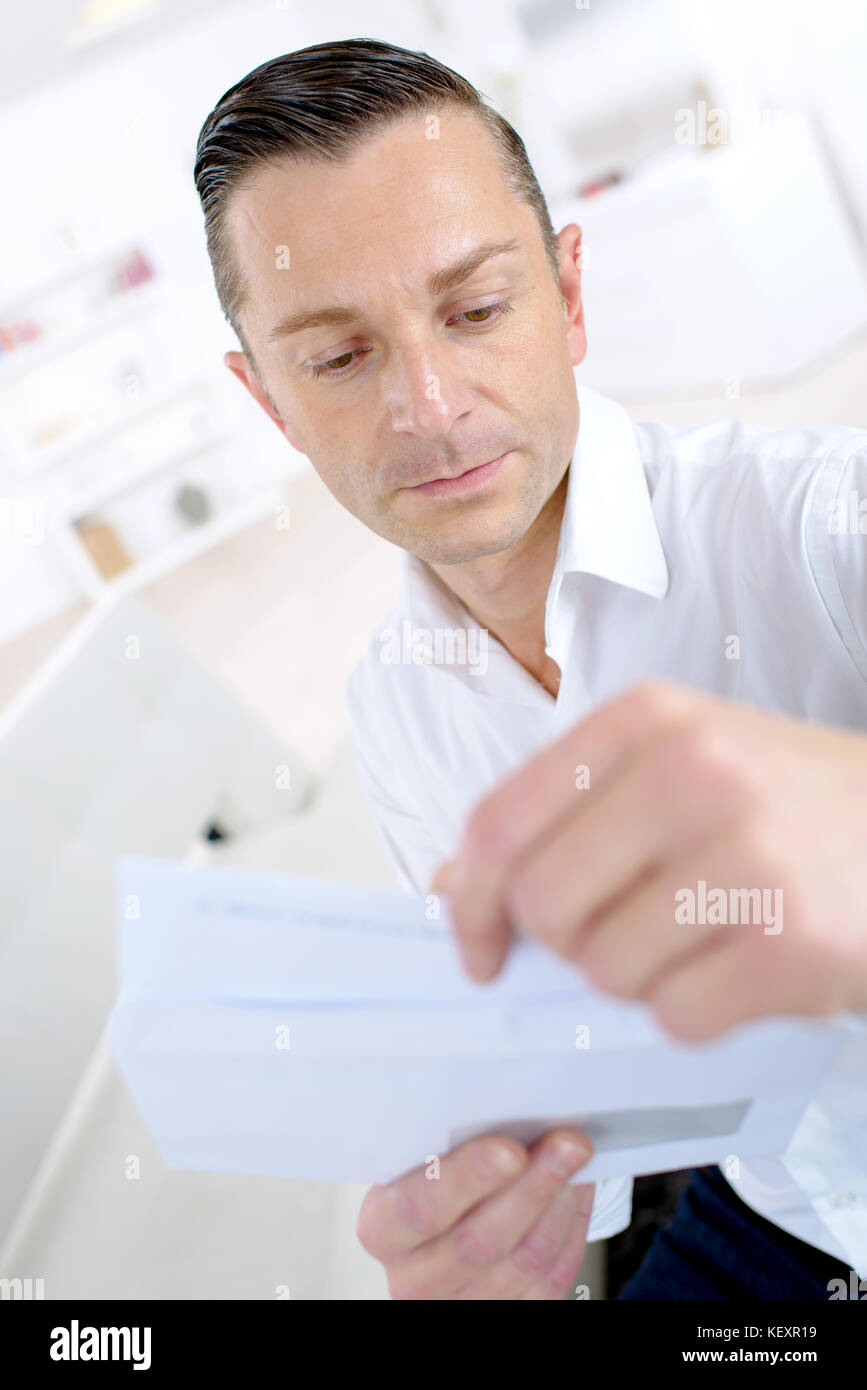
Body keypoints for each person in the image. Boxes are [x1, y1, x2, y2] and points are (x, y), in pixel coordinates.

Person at [193, 38, 867, 1300]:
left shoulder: (818, 530)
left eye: (478, 309)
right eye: (340, 358)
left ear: (569, 296)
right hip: (780, 1205)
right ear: (271, 403)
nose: (430, 405)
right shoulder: (395, 708)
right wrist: (492, 1251)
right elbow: (538, 1097)